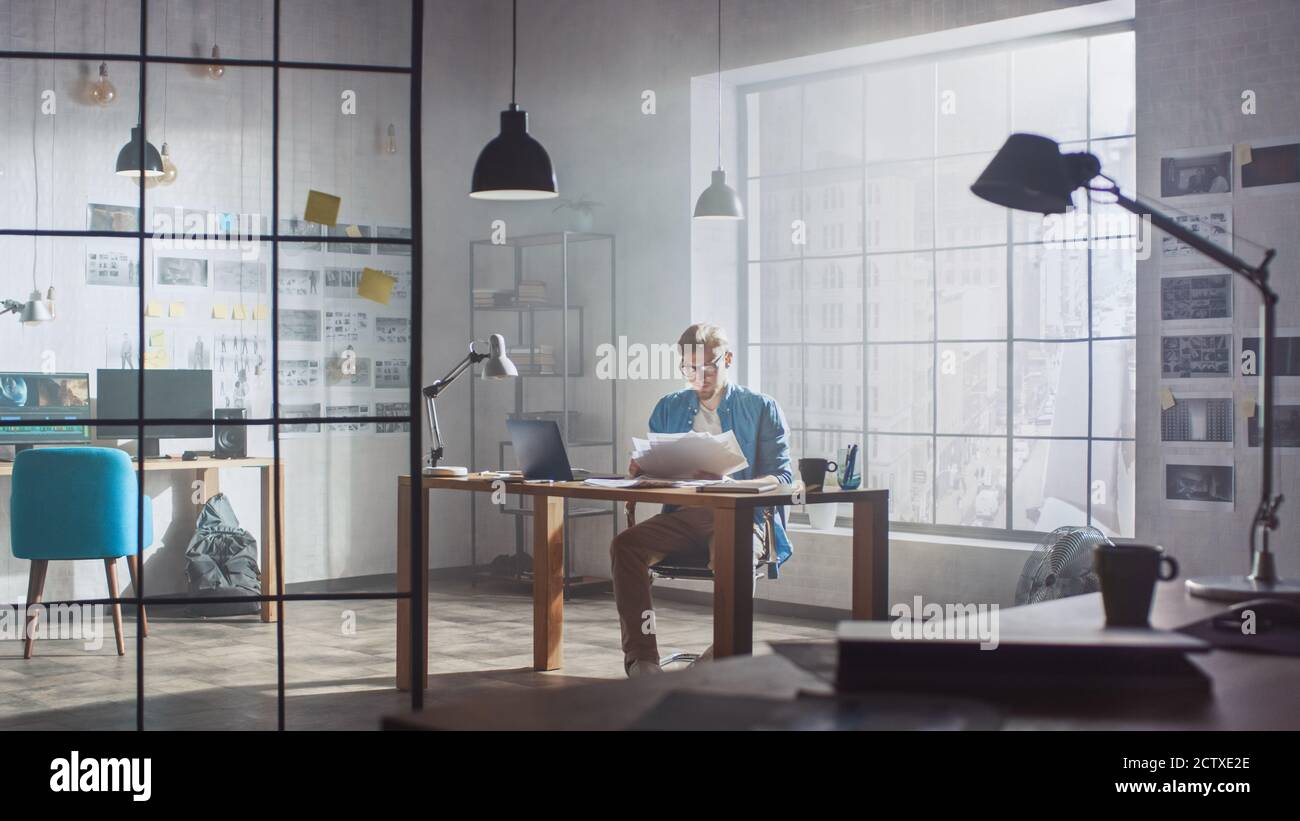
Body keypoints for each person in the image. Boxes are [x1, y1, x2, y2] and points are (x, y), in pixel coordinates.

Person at [609, 323, 792, 677]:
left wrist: (730, 483)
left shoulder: (760, 407)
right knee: (625, 546)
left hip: (739, 518)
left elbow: (782, 478)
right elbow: (659, 472)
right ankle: (643, 660)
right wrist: (642, 470)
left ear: (728, 359)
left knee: (731, 551)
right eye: (689, 368)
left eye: (707, 367)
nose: (698, 375)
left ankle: (721, 656)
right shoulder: (669, 407)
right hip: (683, 517)